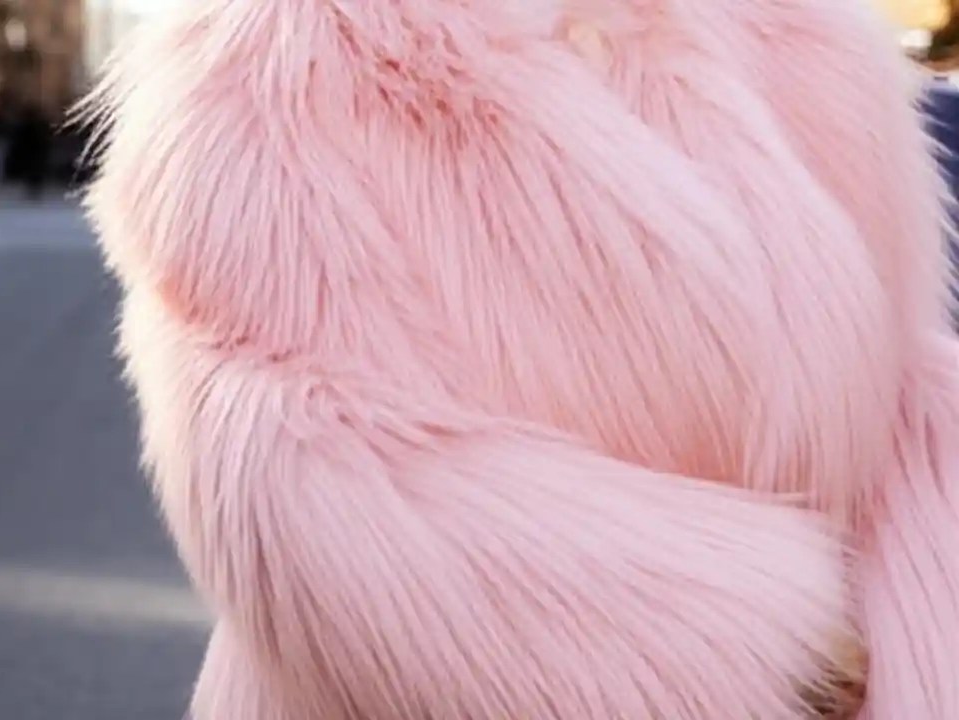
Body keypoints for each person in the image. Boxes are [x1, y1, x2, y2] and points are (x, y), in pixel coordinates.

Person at [88, 1, 959, 717]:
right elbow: (292, 466)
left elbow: (903, 411)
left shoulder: (801, 36)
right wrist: (743, 653)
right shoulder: (260, 69)